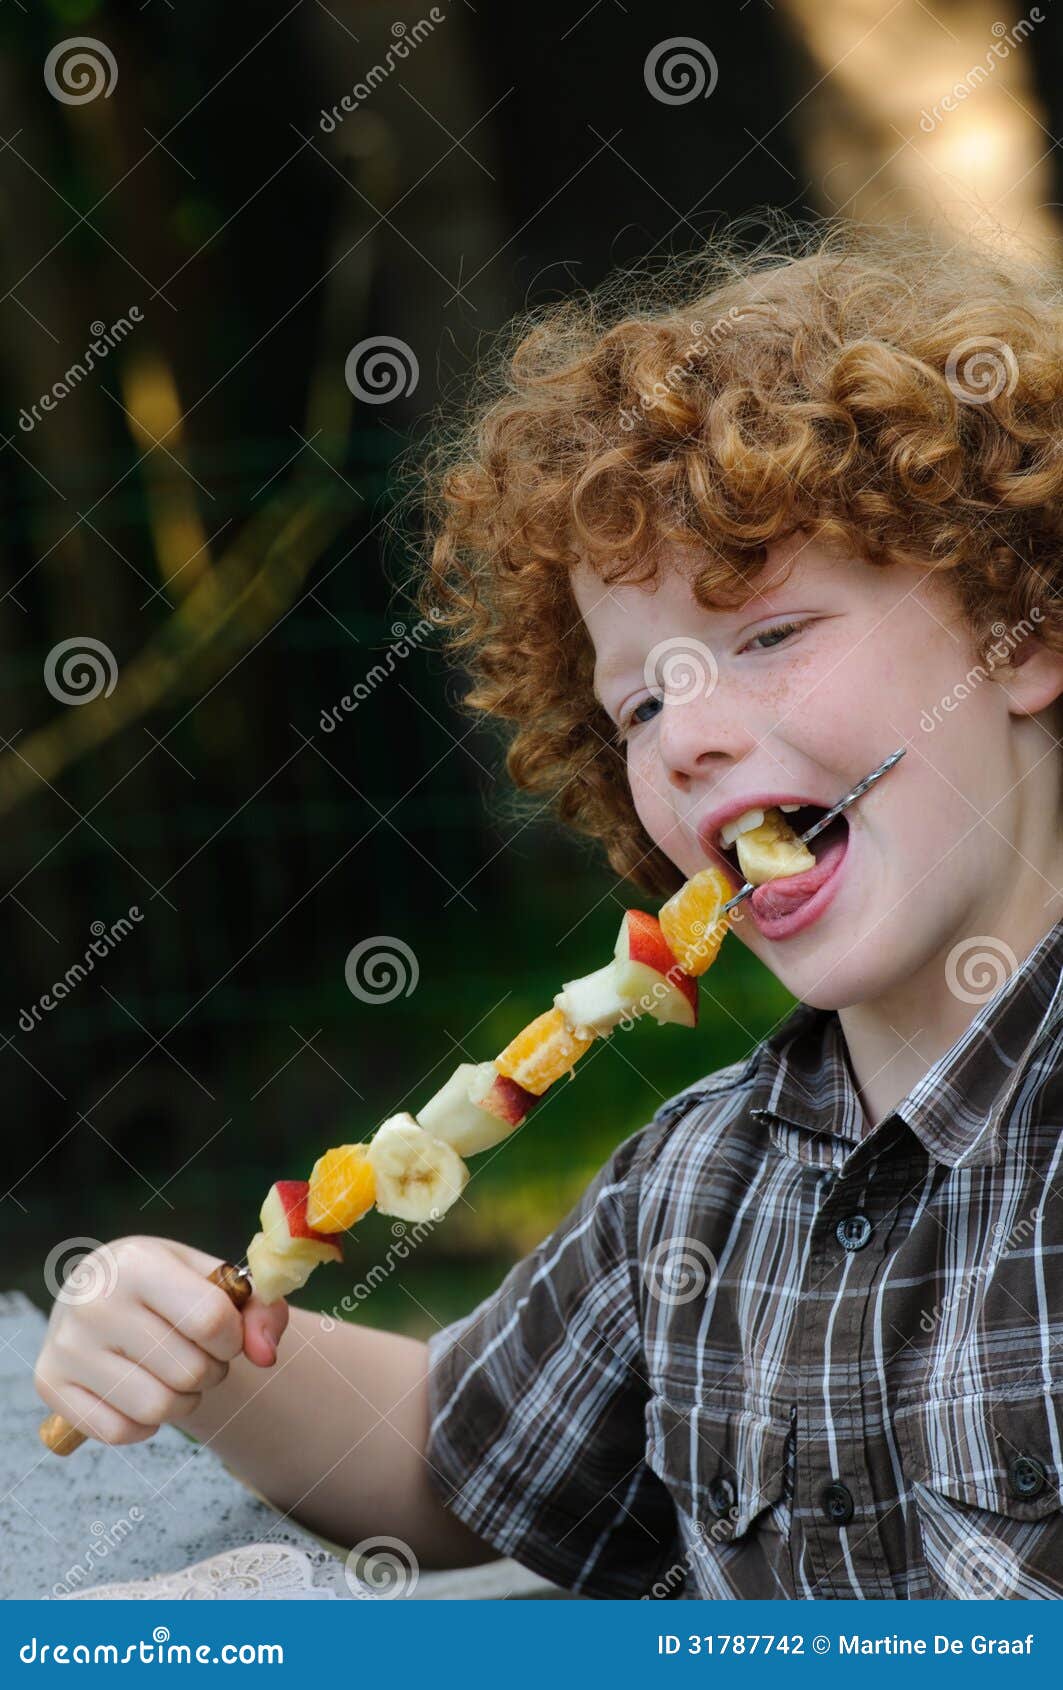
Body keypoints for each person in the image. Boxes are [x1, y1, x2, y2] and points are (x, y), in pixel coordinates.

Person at [34, 218, 1063, 1599]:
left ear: (1024, 626)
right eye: (639, 700)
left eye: (766, 633)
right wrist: (201, 1343)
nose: (687, 737)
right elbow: (447, 1457)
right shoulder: (695, 1190)